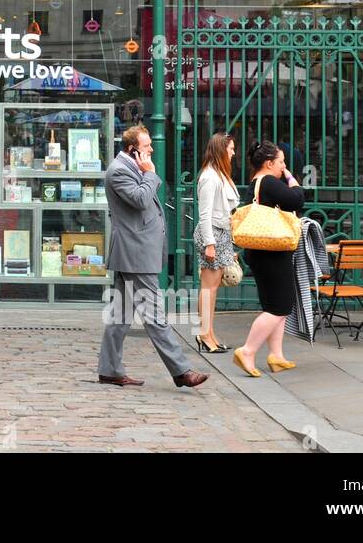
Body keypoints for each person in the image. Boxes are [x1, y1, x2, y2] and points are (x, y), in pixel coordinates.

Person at [98, 126, 209, 389]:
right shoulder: (119, 171)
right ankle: (181, 370)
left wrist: (146, 173)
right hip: (135, 252)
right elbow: (140, 199)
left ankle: (110, 369)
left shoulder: (132, 168)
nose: (151, 150)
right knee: (155, 314)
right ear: (132, 149)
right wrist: (150, 175)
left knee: (121, 315)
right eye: (147, 146)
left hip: (137, 250)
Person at [232, 141, 303, 377]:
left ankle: (276, 355)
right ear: (269, 163)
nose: (284, 166)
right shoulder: (270, 182)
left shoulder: (256, 184)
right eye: (281, 162)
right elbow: (296, 200)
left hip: (260, 252)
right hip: (273, 254)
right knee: (280, 307)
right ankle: (248, 350)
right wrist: (292, 180)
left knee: (274, 305)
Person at [195, 131, 239, 354]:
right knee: (208, 288)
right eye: (230, 148)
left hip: (220, 234)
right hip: (212, 234)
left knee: (212, 289)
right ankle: (204, 334)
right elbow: (204, 214)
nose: (233, 152)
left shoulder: (219, 174)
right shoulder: (210, 177)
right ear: (221, 149)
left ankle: (209, 333)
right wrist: (210, 244)